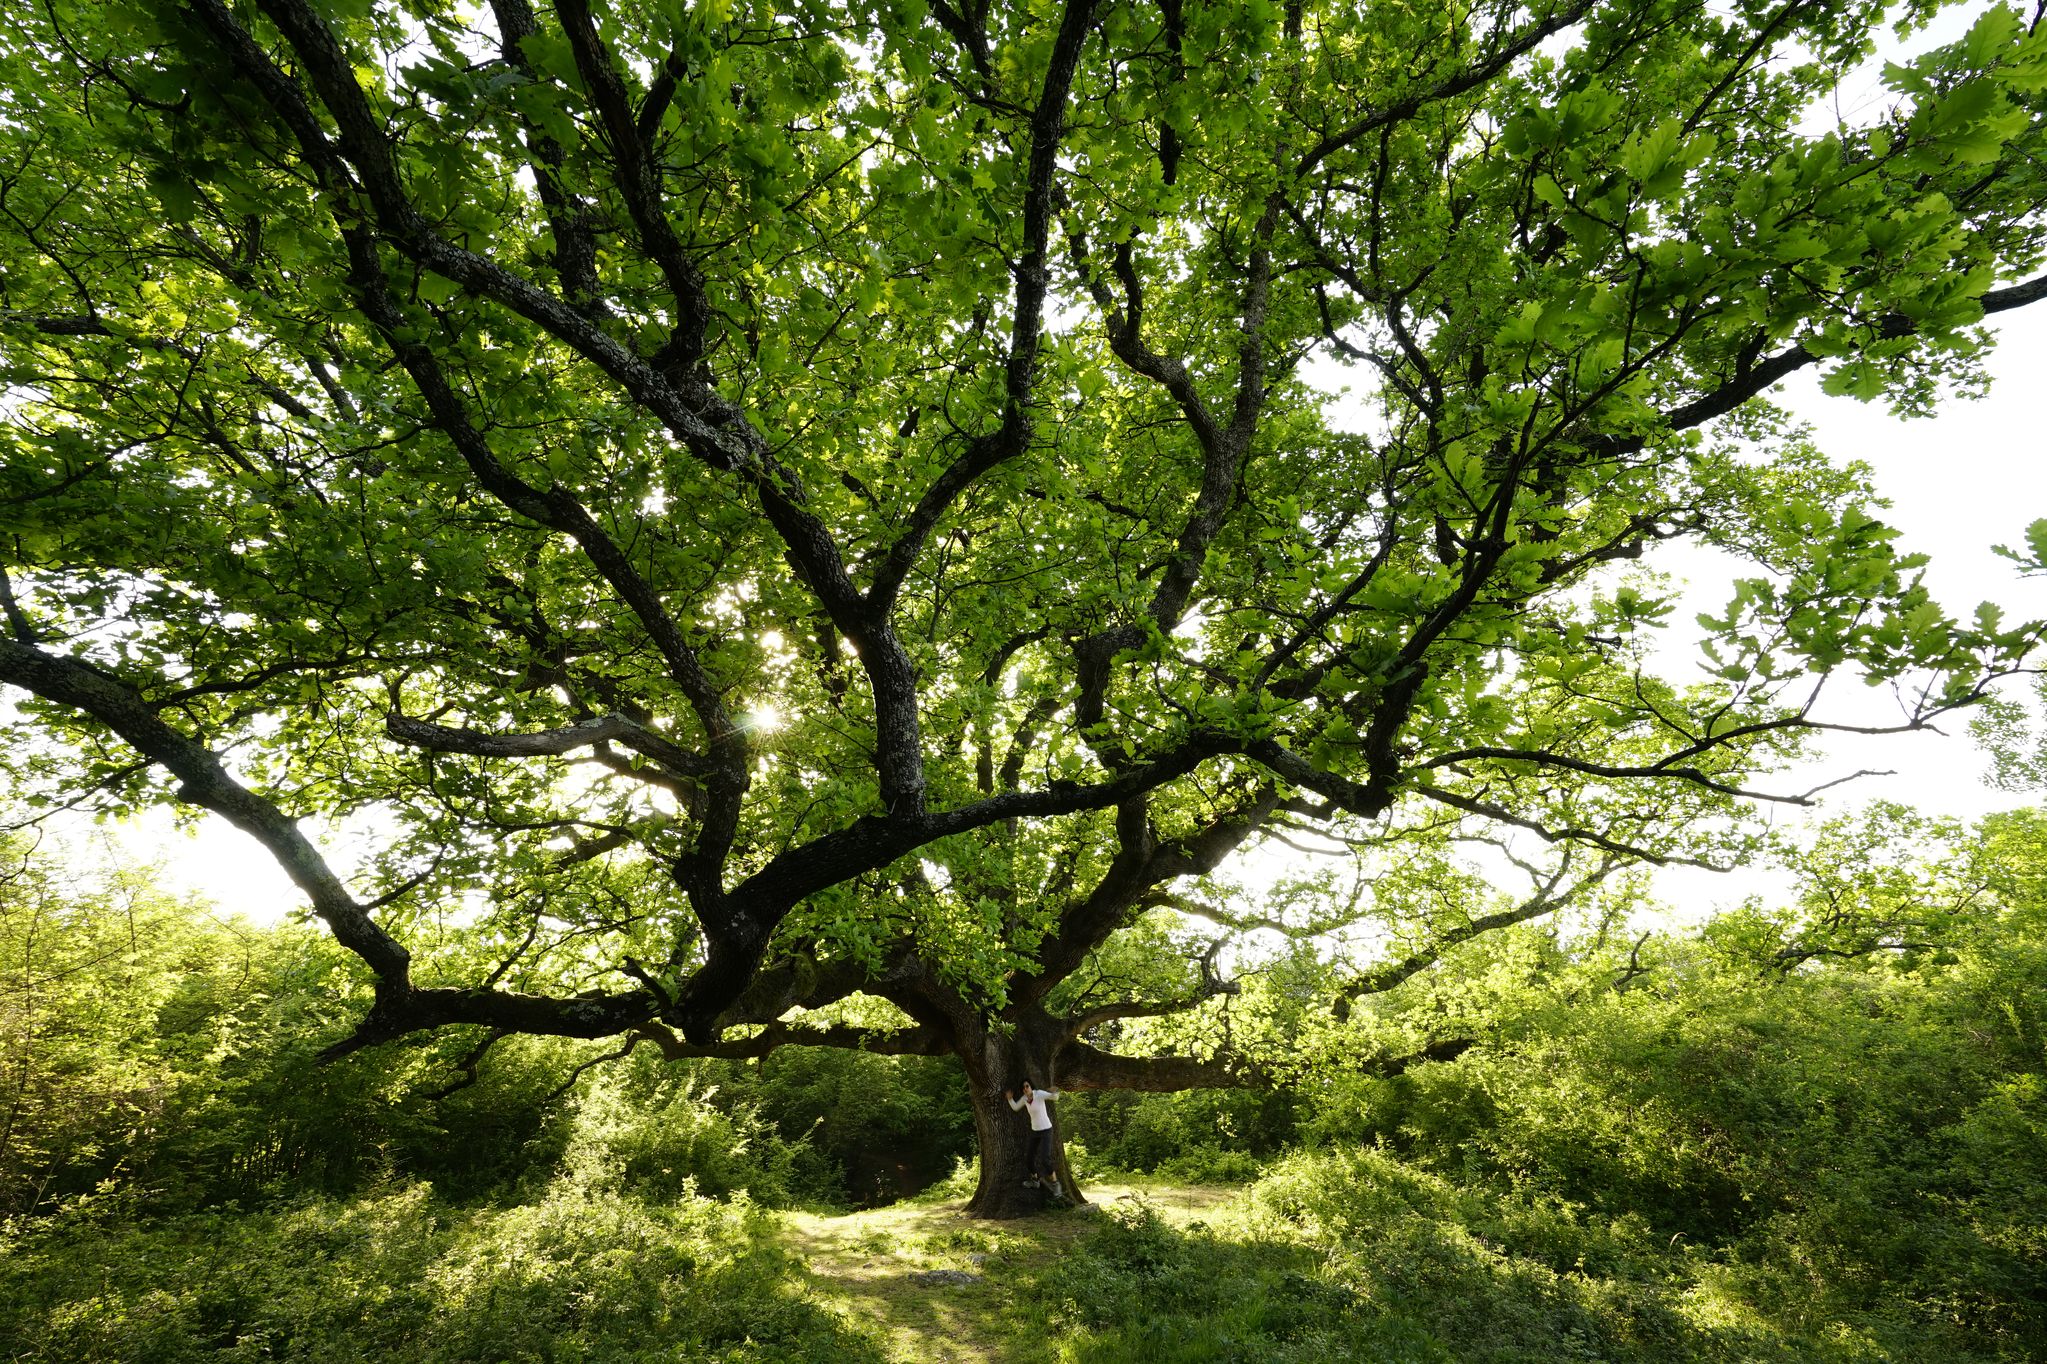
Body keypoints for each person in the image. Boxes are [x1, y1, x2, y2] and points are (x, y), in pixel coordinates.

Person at [1005, 1079, 1063, 1195]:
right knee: (1029, 1158)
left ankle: (1056, 1184)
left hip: (1046, 1130)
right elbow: (1016, 1107)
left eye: (1027, 1086)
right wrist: (1010, 1099)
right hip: (1035, 1131)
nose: (1025, 1089)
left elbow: (1055, 1097)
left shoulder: (1039, 1094)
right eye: (1023, 1088)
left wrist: (1055, 1090)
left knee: (1045, 1159)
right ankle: (1035, 1181)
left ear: (1031, 1087)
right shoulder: (1025, 1099)